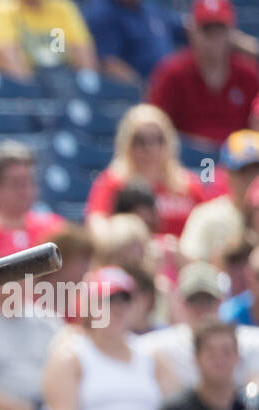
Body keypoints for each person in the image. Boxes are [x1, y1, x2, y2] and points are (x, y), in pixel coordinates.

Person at [41, 266, 169, 410]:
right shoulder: (70, 358)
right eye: (108, 301)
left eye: (125, 300)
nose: (118, 309)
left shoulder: (152, 358)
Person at [85, 105, 212, 239]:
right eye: (140, 141)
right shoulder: (113, 183)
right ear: (127, 144)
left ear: (169, 143)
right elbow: (97, 227)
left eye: (157, 139)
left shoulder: (187, 185)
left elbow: (208, 226)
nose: (149, 149)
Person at [148, 0, 259, 148]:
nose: (214, 37)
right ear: (193, 31)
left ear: (231, 31)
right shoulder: (172, 73)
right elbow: (155, 125)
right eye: (207, 29)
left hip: (239, 164)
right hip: (184, 163)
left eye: (220, 28)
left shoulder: (248, 74)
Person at [136, 261, 259, 393]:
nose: (202, 308)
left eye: (208, 300)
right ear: (181, 303)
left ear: (221, 301)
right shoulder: (159, 344)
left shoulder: (250, 340)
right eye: (193, 301)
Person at [181, 129, 259, 265]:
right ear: (227, 174)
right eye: (244, 171)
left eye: (257, 170)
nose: (253, 178)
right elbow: (191, 266)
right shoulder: (207, 216)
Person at [0, 0, 96, 78]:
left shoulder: (63, 7)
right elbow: (11, 64)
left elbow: (85, 59)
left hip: (60, 83)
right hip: (14, 94)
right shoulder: (0, 8)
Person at [156, 321, 241, 410]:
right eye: (211, 353)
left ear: (237, 357)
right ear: (196, 358)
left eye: (226, 352)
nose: (219, 360)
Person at [84, 0, 184, 84]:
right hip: (134, 96)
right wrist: (142, 88)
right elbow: (109, 63)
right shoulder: (101, 13)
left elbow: (184, 27)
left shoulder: (149, 7)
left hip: (168, 84)